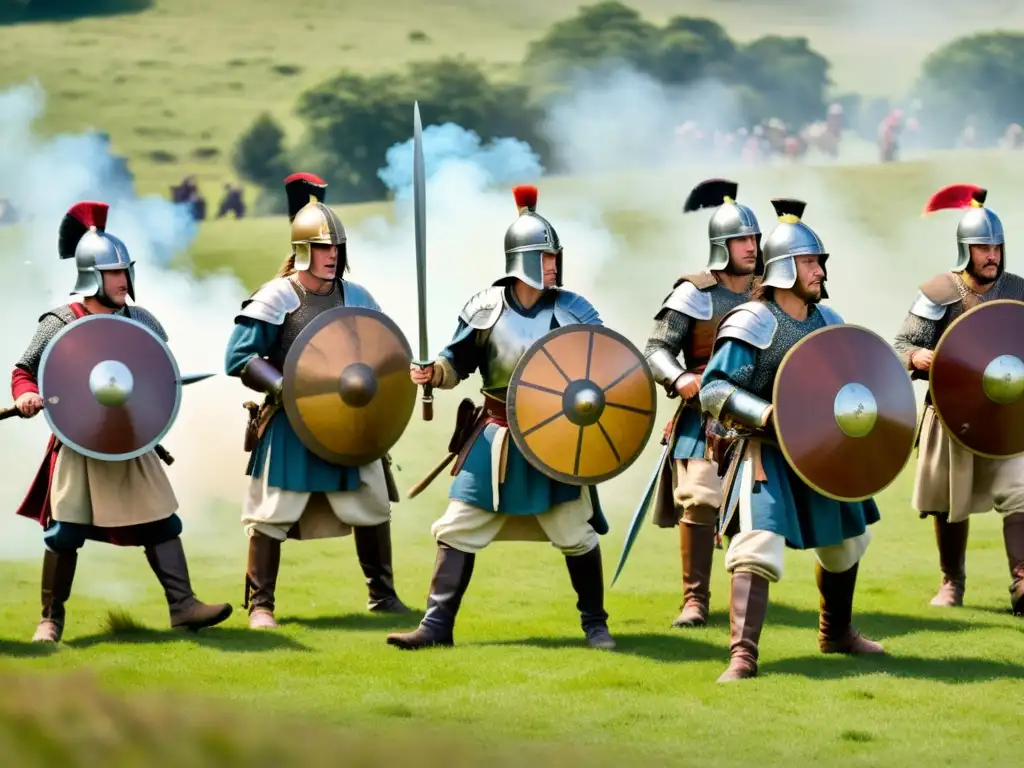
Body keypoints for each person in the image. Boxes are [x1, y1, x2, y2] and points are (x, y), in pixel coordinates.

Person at [386, 185, 614, 651]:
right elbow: (456, 364)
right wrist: (433, 373)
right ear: (523, 260)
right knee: (457, 527)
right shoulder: (486, 309)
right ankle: (436, 627)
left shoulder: (574, 310)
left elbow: (608, 364)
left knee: (575, 533)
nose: (554, 265)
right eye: (546, 257)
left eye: (555, 256)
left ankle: (596, 625)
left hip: (556, 436)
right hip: (495, 438)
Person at [12, 201, 232, 643]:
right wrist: (28, 395)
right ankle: (50, 621)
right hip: (79, 441)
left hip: (130, 439)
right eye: (114, 273)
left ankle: (183, 605)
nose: (123, 281)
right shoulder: (61, 322)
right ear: (91, 275)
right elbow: (24, 370)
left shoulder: (139, 320)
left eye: (126, 271)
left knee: (162, 522)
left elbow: (156, 370)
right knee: (64, 532)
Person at [699, 198, 885, 682]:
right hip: (766, 451)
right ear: (783, 268)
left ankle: (836, 633)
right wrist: (767, 413)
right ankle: (743, 656)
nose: (820, 270)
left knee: (847, 542)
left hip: (821, 449)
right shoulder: (754, 321)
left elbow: (850, 379)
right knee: (756, 545)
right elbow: (715, 388)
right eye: (809, 261)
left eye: (820, 261)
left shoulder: (827, 321)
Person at [224, 173, 409, 629]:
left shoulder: (358, 296)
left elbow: (380, 348)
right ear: (304, 249)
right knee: (272, 514)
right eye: (324, 248)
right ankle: (261, 607)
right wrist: (285, 387)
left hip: (350, 421)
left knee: (371, 504)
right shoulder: (278, 297)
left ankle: (382, 597)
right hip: (292, 422)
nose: (333, 257)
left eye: (337, 249)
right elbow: (239, 357)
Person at [893, 184, 1024, 616]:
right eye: (983, 248)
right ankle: (952, 581)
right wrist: (916, 355)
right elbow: (901, 344)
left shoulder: (1018, 291)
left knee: (1021, 490)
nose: (992, 256)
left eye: (997, 247)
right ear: (966, 250)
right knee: (948, 501)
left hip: (1009, 415)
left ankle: (1023, 579)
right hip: (952, 414)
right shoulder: (939, 293)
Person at [642, 179, 762, 628]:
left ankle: (743, 597)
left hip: (756, 418)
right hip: (701, 420)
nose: (750, 247)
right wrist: (680, 378)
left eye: (754, 239)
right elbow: (656, 349)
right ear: (721, 245)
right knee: (699, 500)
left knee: (751, 511)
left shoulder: (768, 293)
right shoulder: (695, 292)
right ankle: (694, 600)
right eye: (741, 240)